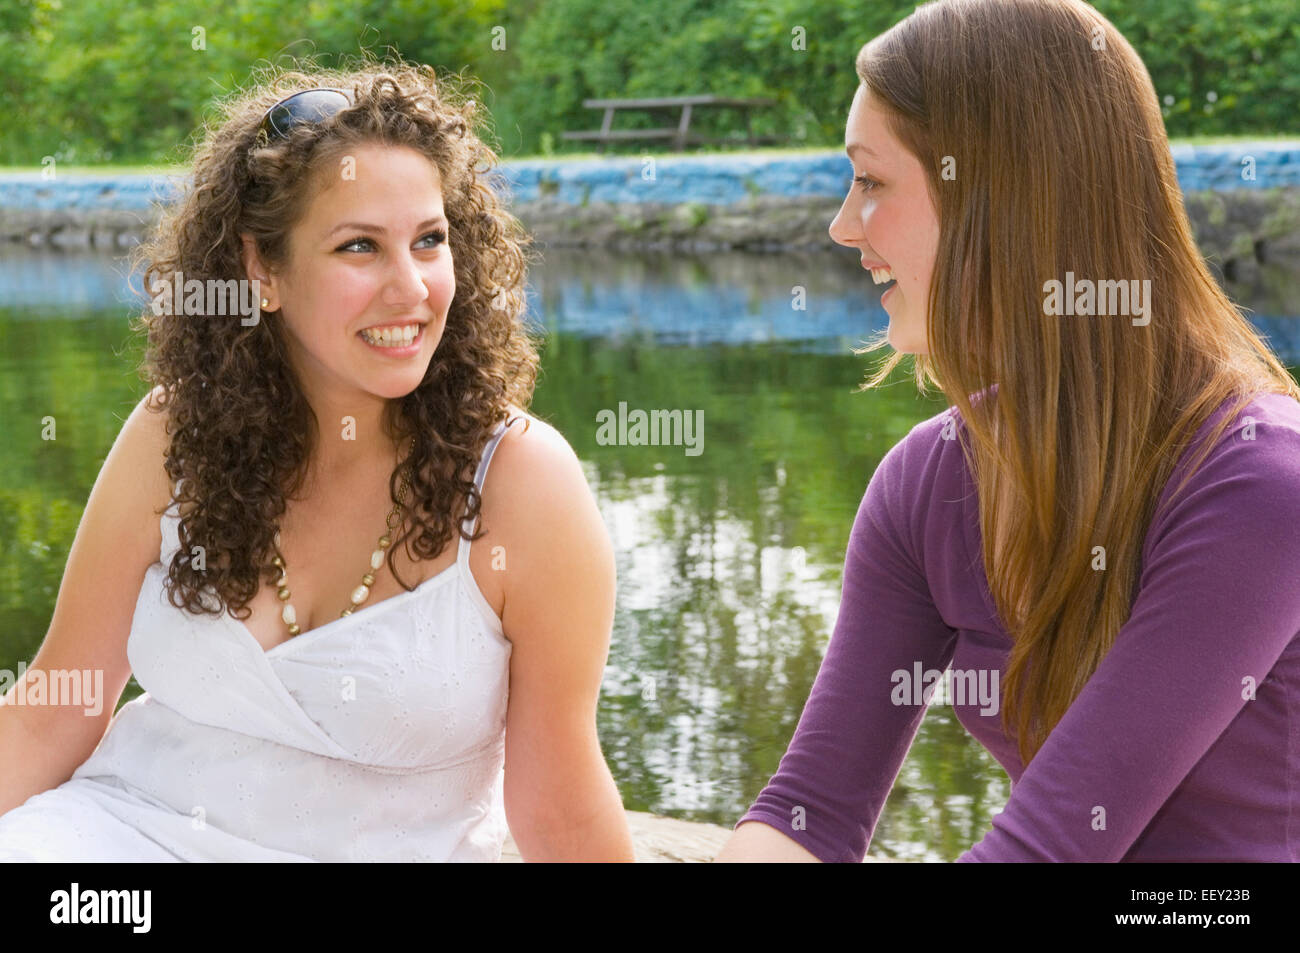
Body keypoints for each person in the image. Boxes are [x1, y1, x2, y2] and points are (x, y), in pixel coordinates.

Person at [0, 58, 635, 862]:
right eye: (359, 247)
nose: (410, 288)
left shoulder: (524, 483)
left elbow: (561, 811)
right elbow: (54, 708)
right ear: (262, 270)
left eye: (429, 241)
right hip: (114, 842)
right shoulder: (173, 435)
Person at [716, 0, 1300, 862]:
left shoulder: (1258, 481)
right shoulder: (926, 485)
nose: (843, 227)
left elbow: (1049, 849)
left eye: (871, 182)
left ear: (1003, 197)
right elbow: (807, 812)